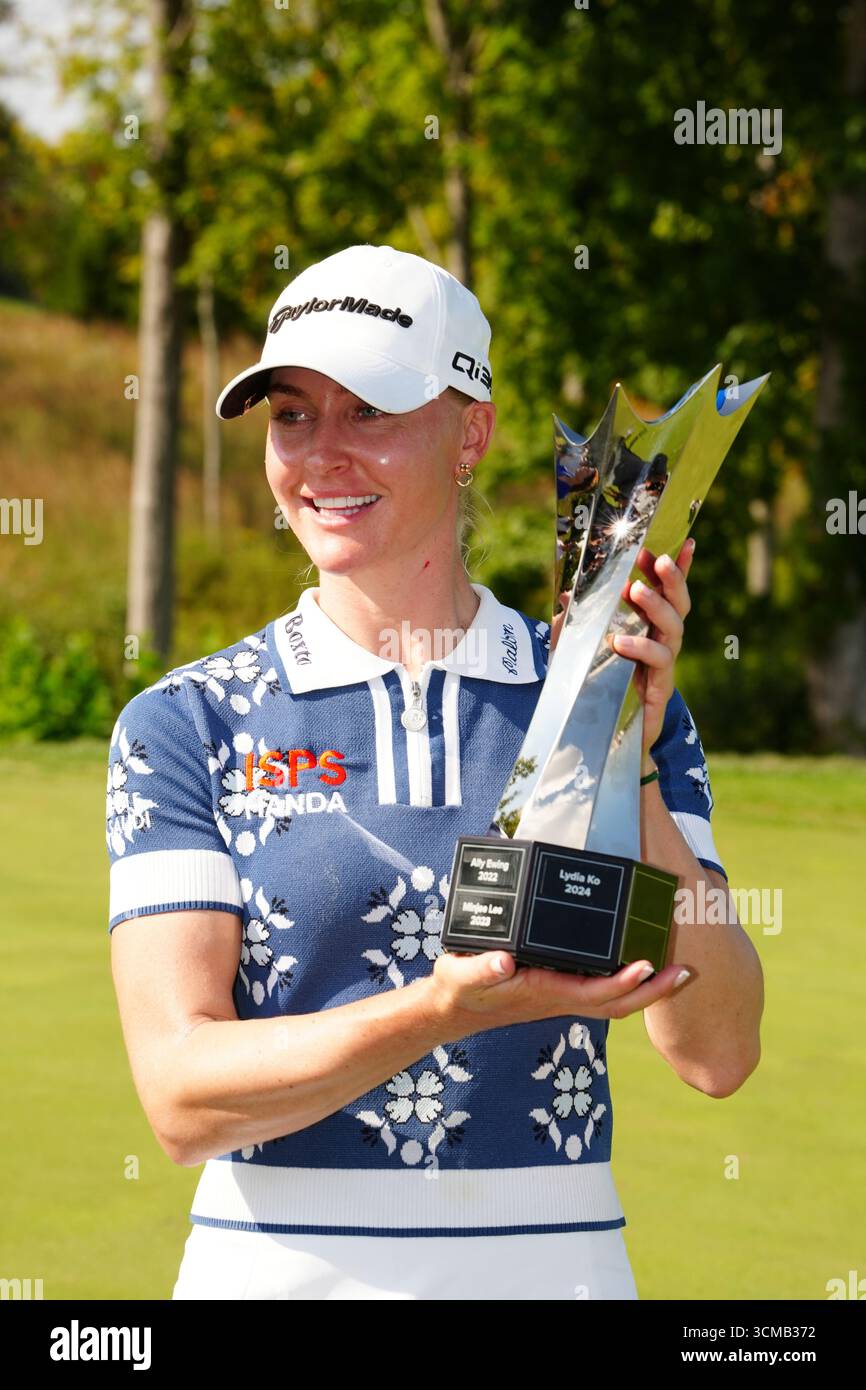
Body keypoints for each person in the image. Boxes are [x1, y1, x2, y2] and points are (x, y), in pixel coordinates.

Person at [105, 243, 763, 1301]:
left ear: (471, 434)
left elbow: (715, 1049)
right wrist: (441, 1011)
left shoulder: (608, 697)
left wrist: (622, 757)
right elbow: (182, 1096)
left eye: (368, 410)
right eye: (290, 413)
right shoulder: (185, 722)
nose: (320, 453)